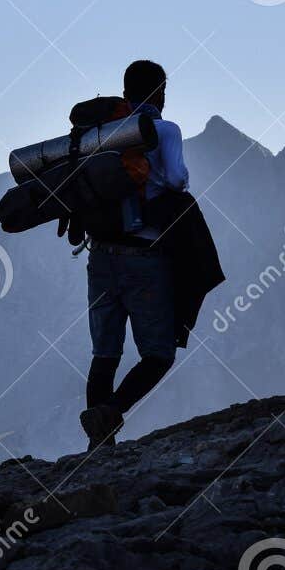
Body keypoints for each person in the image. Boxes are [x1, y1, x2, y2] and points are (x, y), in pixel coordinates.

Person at [78, 60, 188, 450]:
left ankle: (98, 446)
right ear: (160, 92)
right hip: (145, 256)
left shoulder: (101, 135)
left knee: (104, 353)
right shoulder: (165, 130)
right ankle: (110, 416)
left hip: (100, 256)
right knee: (158, 354)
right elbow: (176, 179)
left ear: (125, 93)